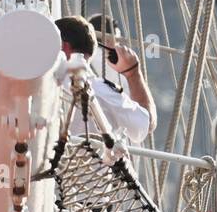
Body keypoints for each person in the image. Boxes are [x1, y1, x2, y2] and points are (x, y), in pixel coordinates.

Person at [55, 14, 154, 144]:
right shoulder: (103, 90)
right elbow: (147, 124)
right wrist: (133, 73)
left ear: (64, 46)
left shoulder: (31, 81)